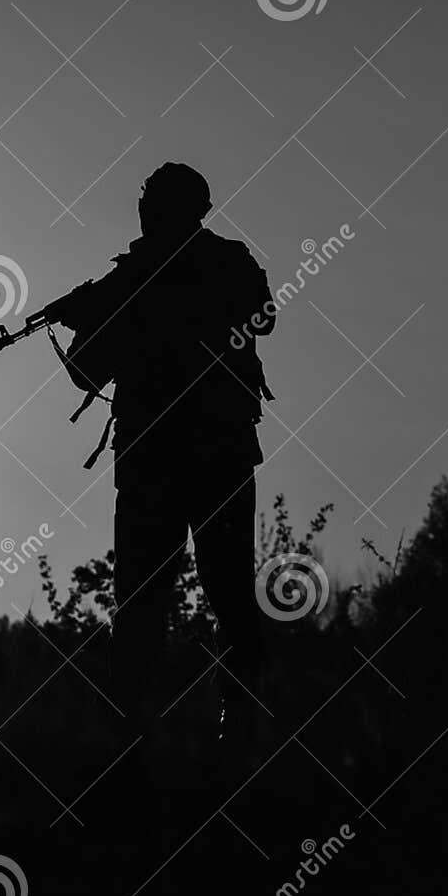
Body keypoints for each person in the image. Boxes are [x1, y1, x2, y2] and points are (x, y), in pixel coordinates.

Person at [56, 162, 275, 735]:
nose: (146, 210)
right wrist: (93, 314)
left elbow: (260, 314)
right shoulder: (156, 275)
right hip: (197, 456)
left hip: (174, 458)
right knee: (186, 596)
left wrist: (116, 305)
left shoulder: (193, 270)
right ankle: (152, 733)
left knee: (178, 596)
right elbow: (87, 367)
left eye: (154, 202)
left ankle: (186, 728)